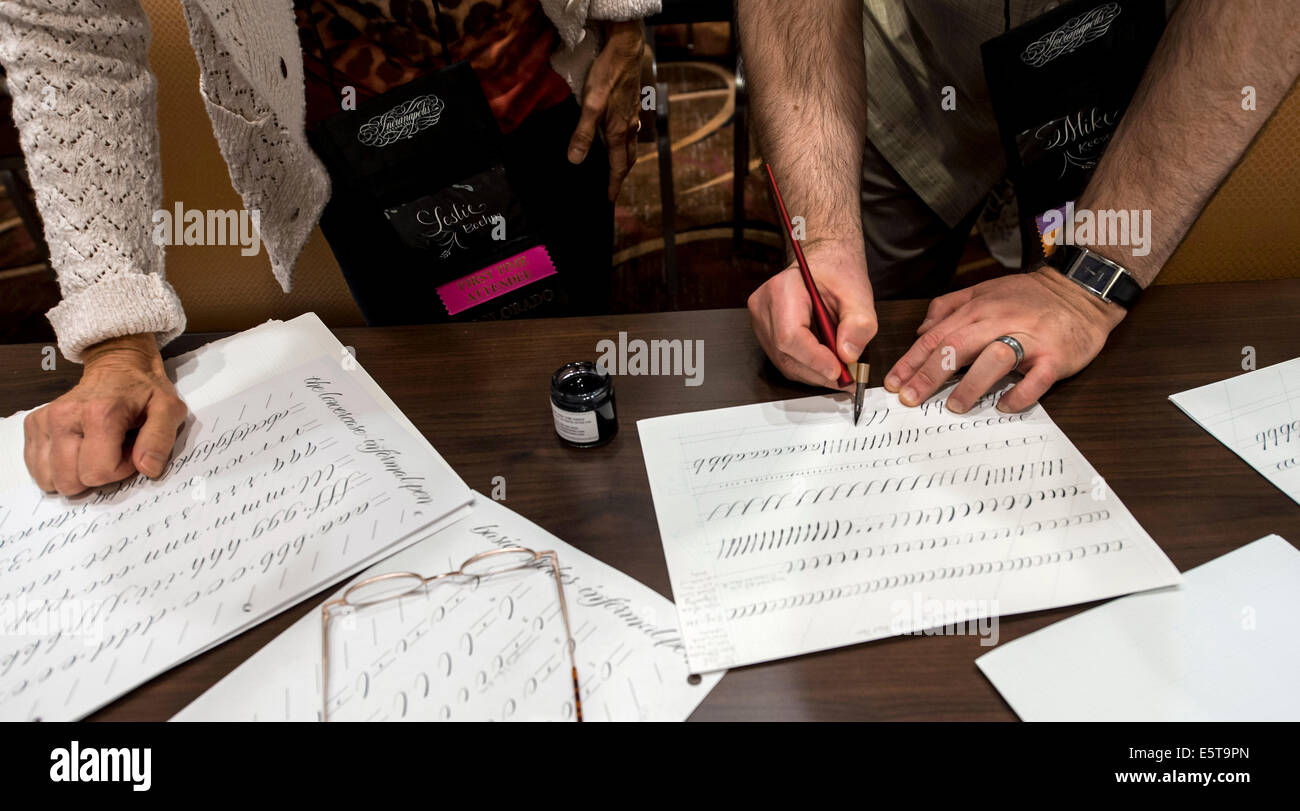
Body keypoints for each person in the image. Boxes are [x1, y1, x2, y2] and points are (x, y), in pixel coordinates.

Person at [0, 0, 659, 496]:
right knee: (431, 415)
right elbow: (70, 34)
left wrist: (625, 17)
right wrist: (117, 336)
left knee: (572, 388)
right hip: (344, 120)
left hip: (536, 78)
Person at [739, 0, 1299, 413]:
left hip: (1137, 99)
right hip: (912, 69)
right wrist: (823, 237)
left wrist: (1083, 290)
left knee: (1104, 382)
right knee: (845, 329)